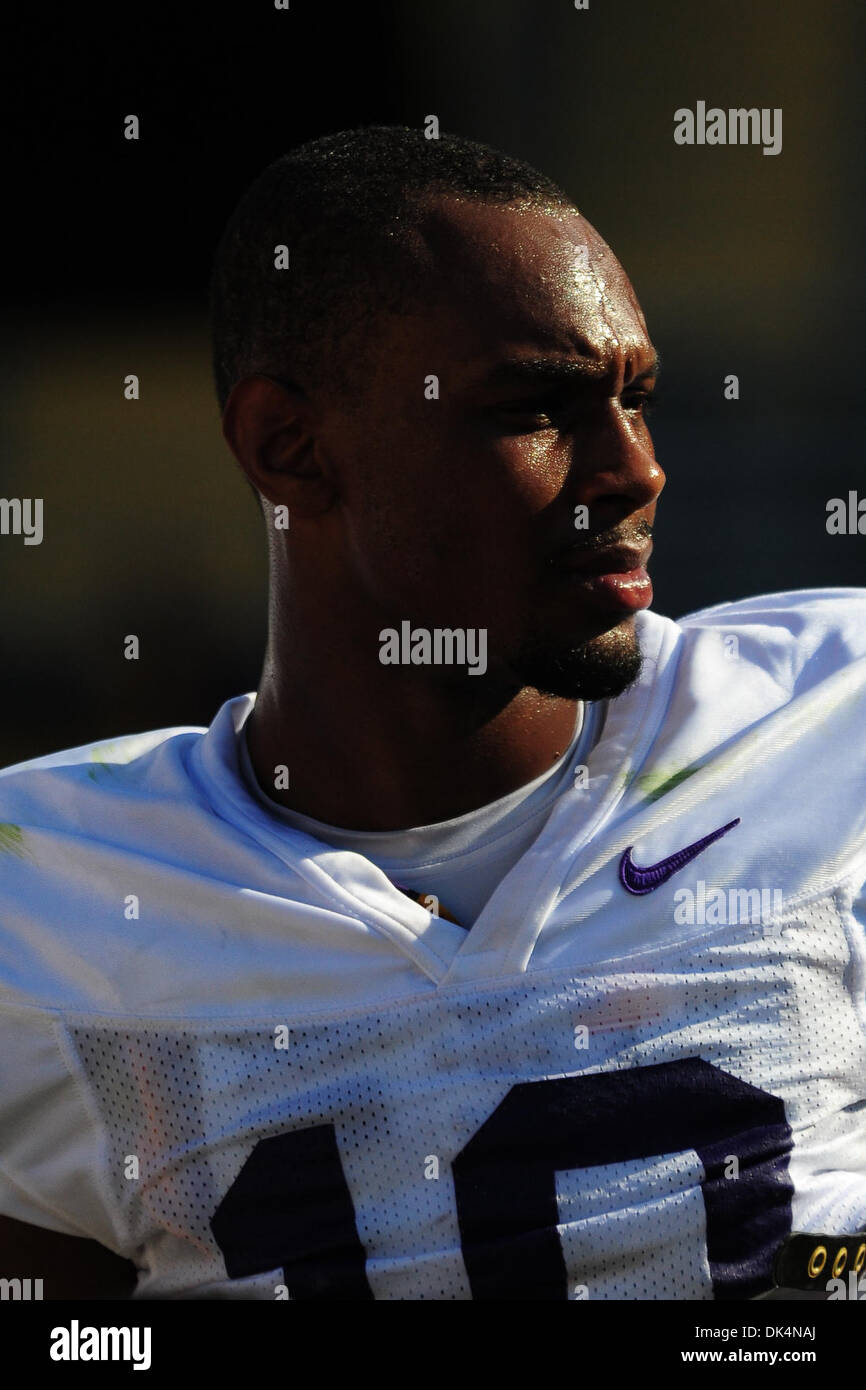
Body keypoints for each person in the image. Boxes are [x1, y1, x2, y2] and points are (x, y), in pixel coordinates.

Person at [1, 126, 864, 1301]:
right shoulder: (49, 901)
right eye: (535, 408)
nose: (633, 469)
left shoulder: (830, 723)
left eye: (636, 397)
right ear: (288, 447)